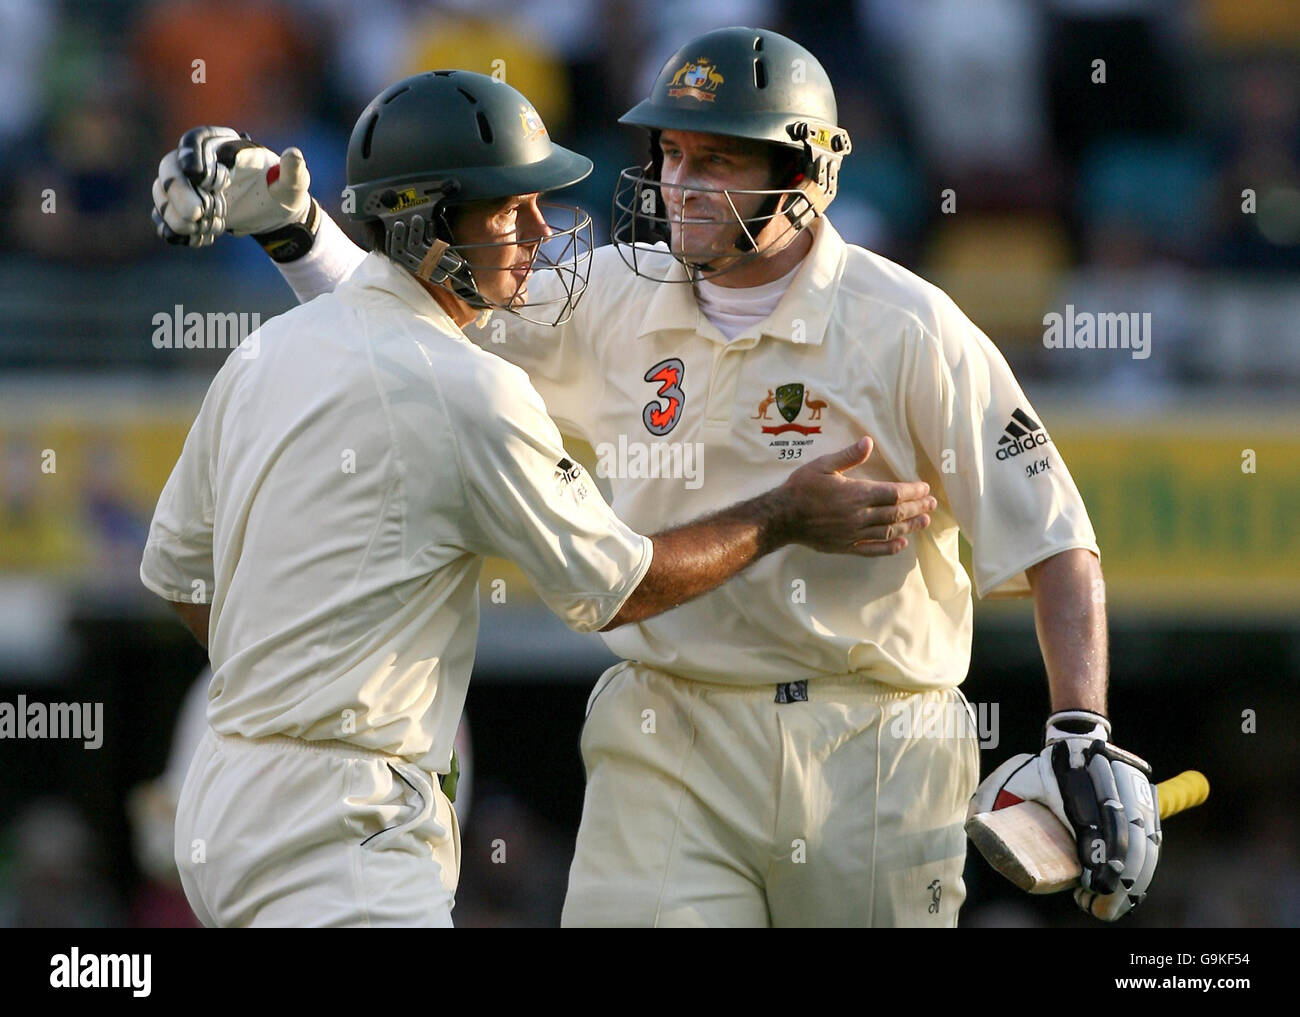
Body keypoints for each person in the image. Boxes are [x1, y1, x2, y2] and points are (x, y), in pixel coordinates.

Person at [150, 28, 1161, 927]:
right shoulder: (611, 290)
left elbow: (1054, 540)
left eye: (713, 158)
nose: (677, 182)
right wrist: (300, 233)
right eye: (669, 153)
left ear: (802, 174)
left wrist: (1078, 730)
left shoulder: (910, 326)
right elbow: (414, 314)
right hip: (666, 725)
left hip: (874, 743)